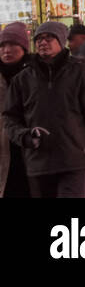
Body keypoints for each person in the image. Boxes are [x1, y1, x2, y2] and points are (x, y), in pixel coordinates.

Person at [3, 21, 85, 198]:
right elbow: (10, 118)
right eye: (39, 39)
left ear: (62, 41)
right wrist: (24, 136)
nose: (43, 42)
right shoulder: (23, 79)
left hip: (73, 159)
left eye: (49, 38)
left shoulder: (81, 72)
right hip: (38, 160)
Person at [0, 22, 31, 198]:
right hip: (2, 143)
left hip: (28, 140)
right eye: (2, 46)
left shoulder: (35, 72)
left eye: (12, 44)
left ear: (24, 47)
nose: (6, 50)